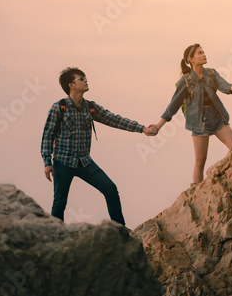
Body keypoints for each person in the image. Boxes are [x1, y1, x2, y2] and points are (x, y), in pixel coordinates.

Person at [40, 67, 158, 225]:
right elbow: (48, 135)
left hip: (85, 162)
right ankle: (55, 236)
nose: (85, 80)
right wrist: (47, 162)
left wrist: (142, 128)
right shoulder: (59, 108)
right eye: (81, 78)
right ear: (71, 85)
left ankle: (120, 231)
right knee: (60, 203)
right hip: (62, 163)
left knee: (110, 189)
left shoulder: (90, 107)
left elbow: (114, 119)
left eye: (85, 77)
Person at [152, 44, 232, 184]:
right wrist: (159, 125)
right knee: (200, 161)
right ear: (191, 59)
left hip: (217, 117)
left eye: (203, 52)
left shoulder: (211, 73)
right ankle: (195, 192)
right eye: (200, 53)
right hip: (199, 122)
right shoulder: (186, 80)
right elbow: (173, 105)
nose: (204, 54)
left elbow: (223, 85)